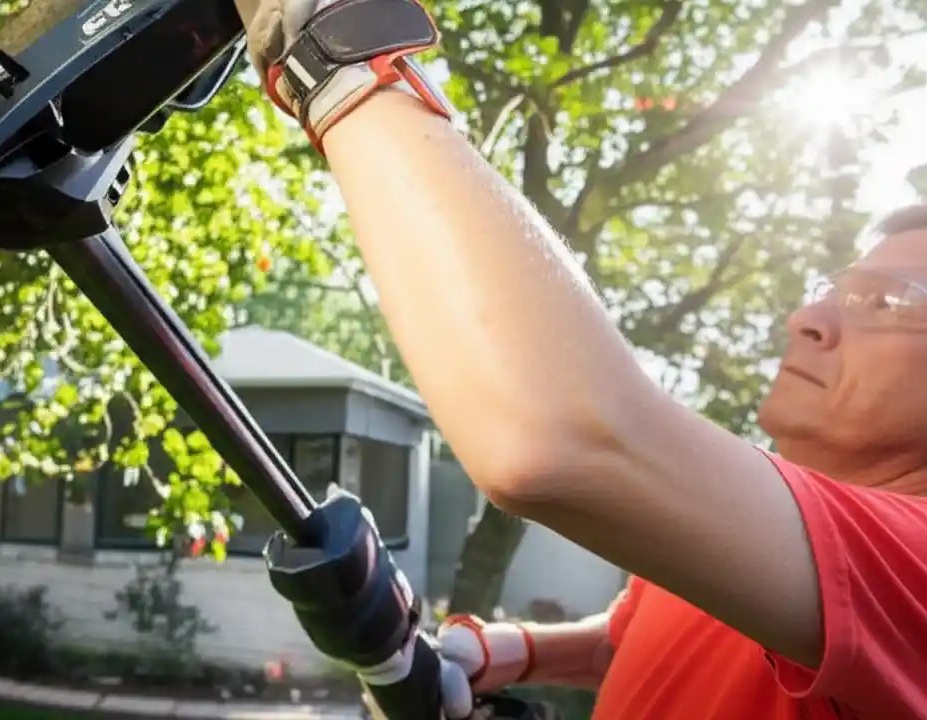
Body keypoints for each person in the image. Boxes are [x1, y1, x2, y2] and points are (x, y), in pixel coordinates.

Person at [229, 0, 927, 718]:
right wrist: (508, 652)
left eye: (887, 303)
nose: (808, 319)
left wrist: (333, 47)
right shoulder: (756, 522)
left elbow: (559, 439)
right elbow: (629, 636)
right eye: (833, 292)